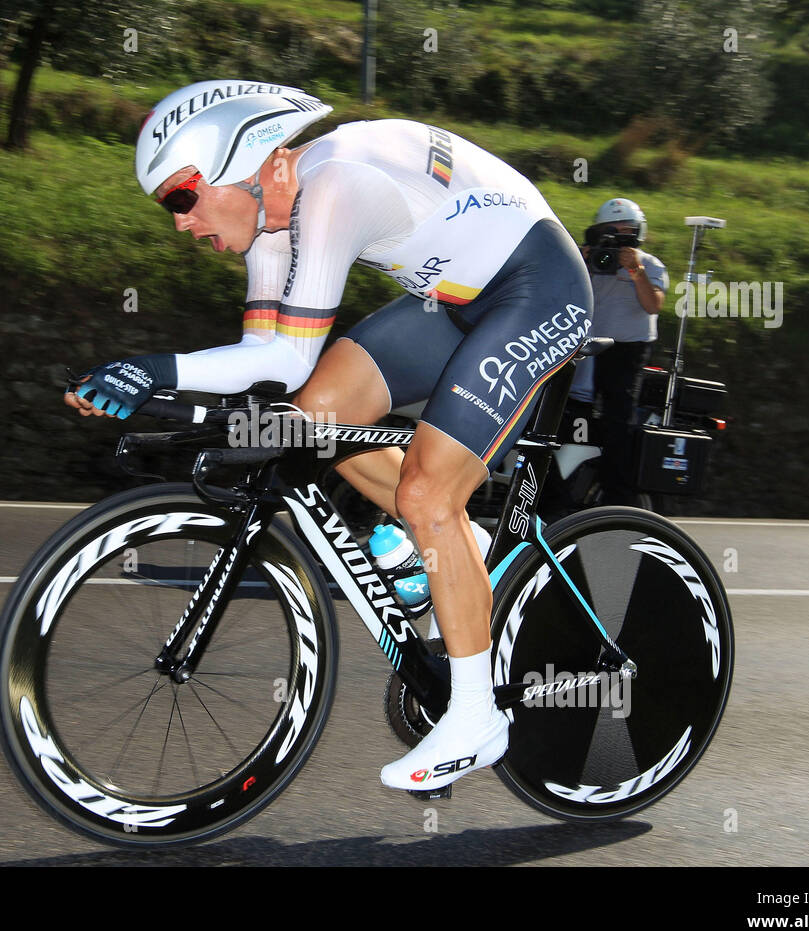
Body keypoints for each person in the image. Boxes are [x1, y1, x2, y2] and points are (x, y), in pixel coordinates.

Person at [66, 80, 592, 791]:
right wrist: (153, 383)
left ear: (243, 164)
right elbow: (269, 367)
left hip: (538, 286)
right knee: (311, 418)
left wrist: (157, 369)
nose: (181, 224)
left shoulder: (334, 185)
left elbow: (285, 355)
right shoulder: (267, 225)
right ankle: (443, 548)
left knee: (428, 488)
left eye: (181, 198)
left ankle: (475, 716)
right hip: (453, 302)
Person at [580, 198, 668, 505]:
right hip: (585, 349)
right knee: (572, 412)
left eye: (625, 230)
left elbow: (653, 305)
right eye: (610, 231)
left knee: (619, 418)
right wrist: (577, 260)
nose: (617, 237)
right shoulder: (589, 260)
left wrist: (636, 271)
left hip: (626, 351)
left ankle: (617, 496)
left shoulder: (650, 264)